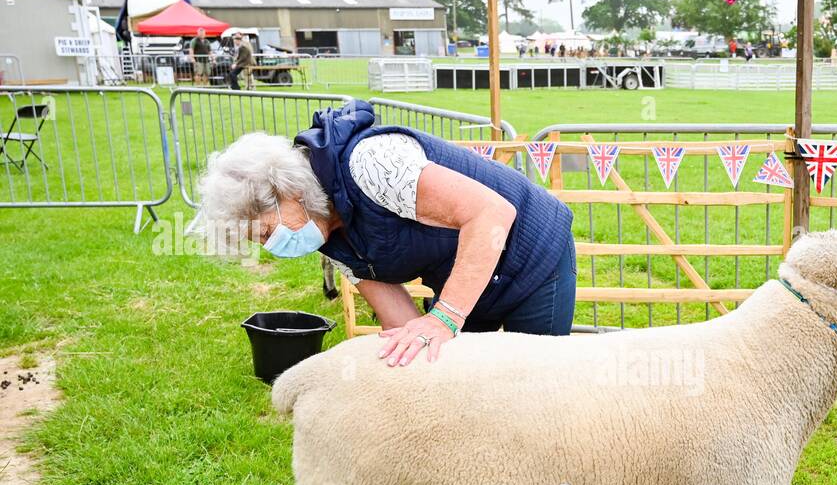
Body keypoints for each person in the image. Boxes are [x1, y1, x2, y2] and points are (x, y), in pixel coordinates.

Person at [196, 99, 576, 367]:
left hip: (534, 255)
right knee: (464, 383)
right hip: (468, 276)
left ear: (288, 192)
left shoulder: (372, 163)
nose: (272, 247)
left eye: (264, 233)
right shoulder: (326, 232)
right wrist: (403, 359)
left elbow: (492, 214)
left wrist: (444, 318)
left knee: (536, 387)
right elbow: (401, 323)